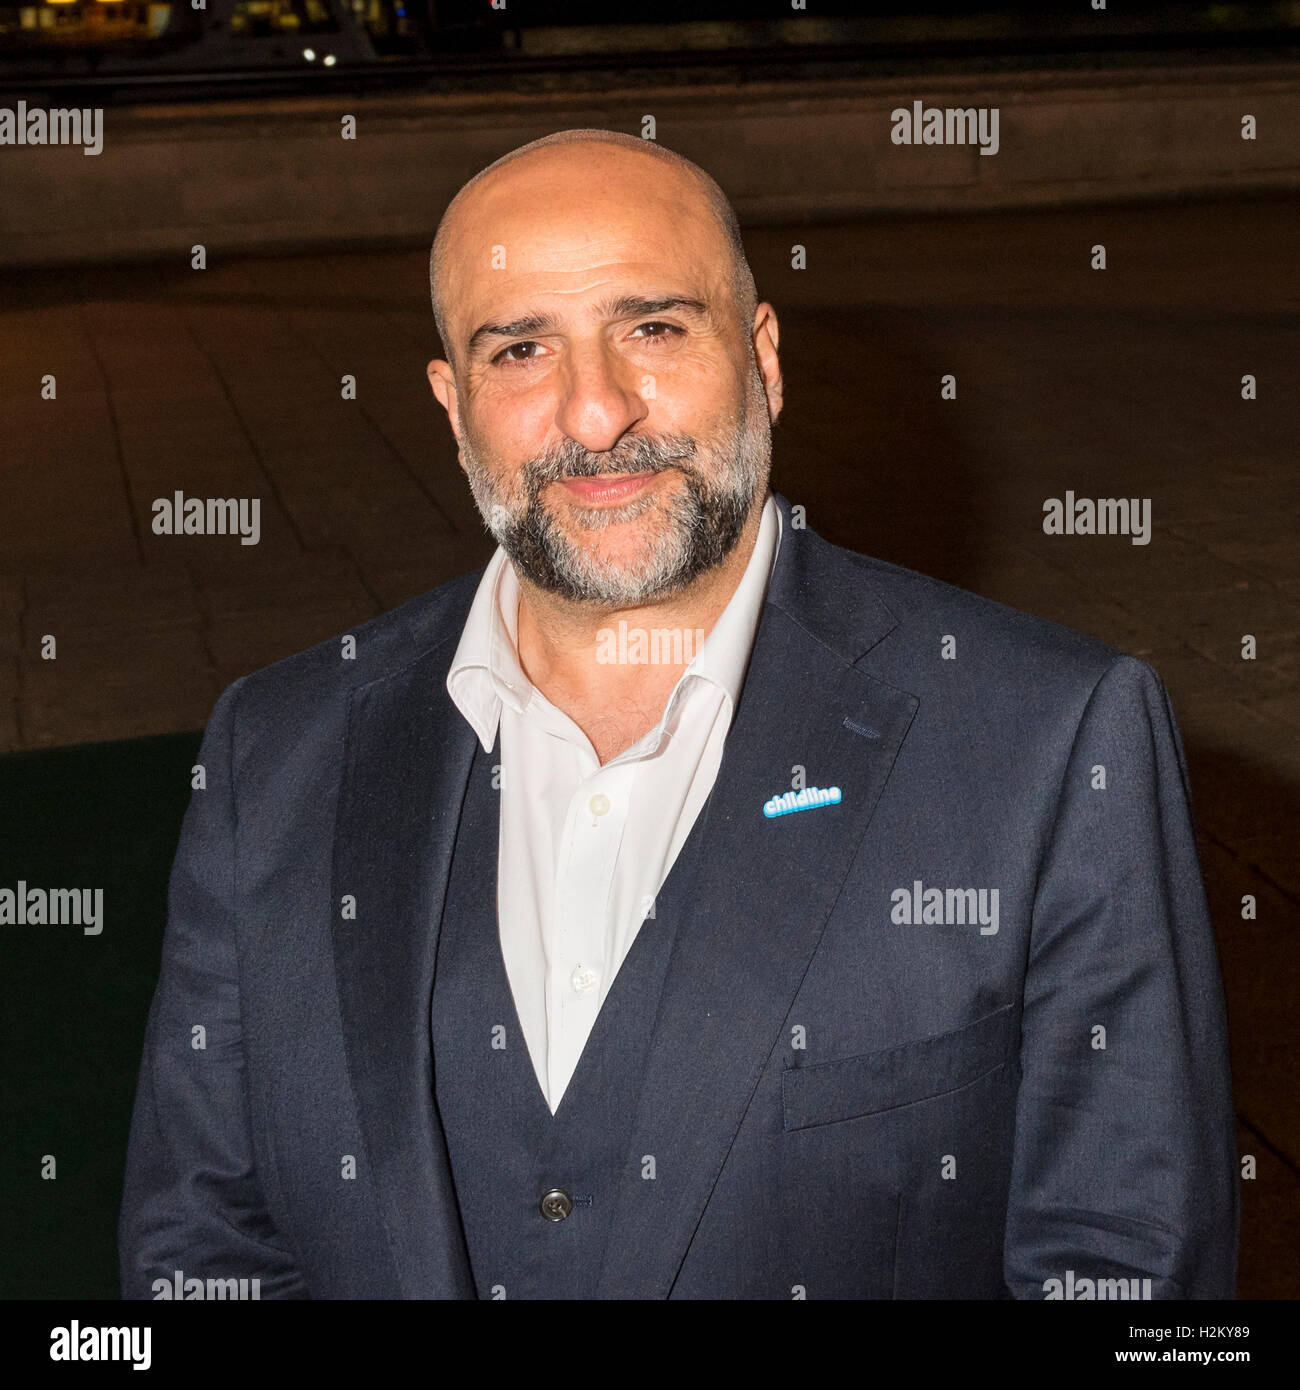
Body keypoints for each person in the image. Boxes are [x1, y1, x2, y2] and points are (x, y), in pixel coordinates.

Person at [119, 128, 1238, 1299]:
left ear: (762, 359)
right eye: (519, 350)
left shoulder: (1049, 738)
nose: (595, 413)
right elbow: (204, 1247)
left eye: (652, 327)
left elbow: (1124, 1275)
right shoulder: (276, 749)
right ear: (454, 408)